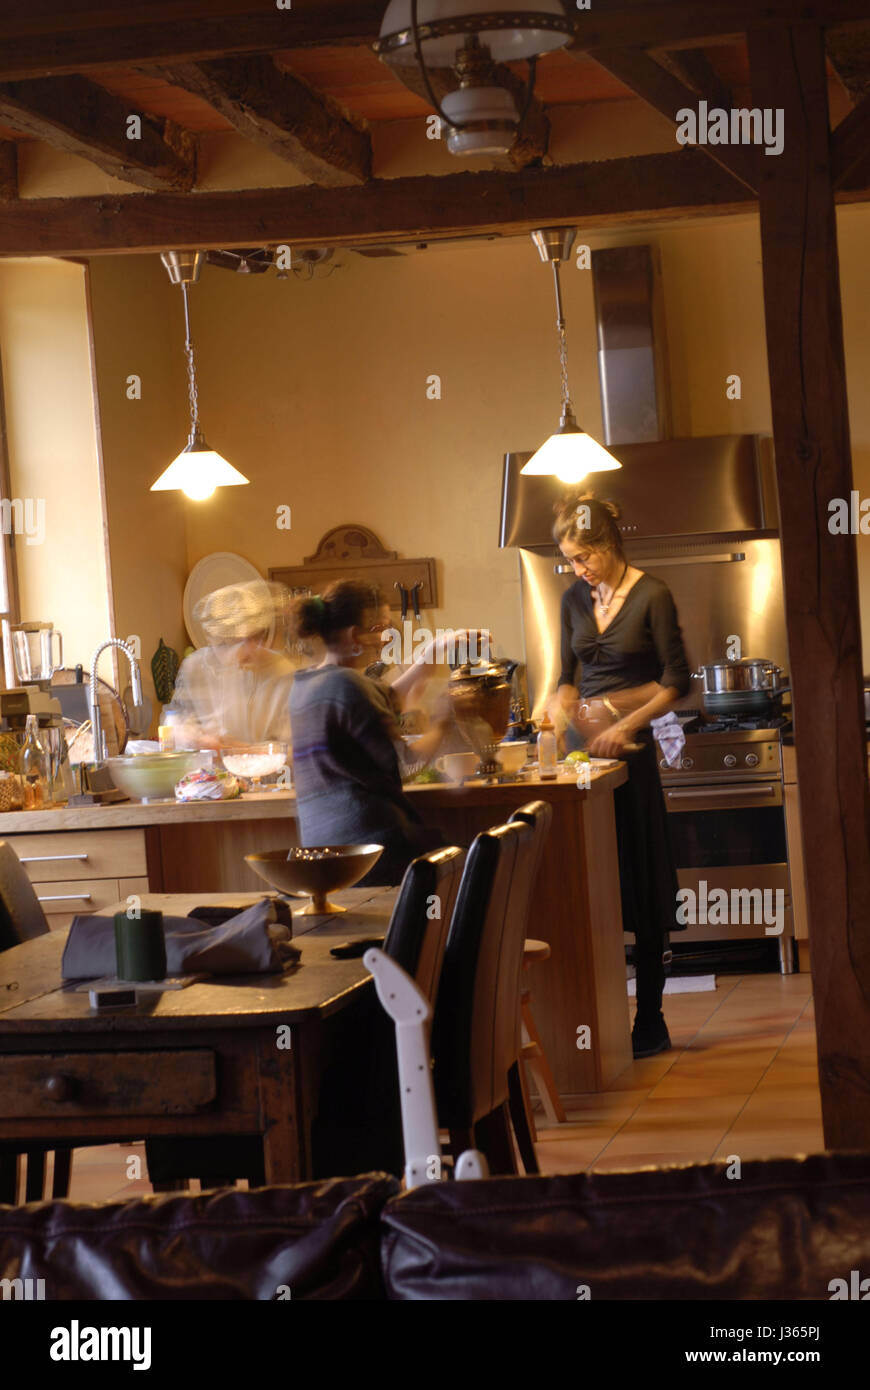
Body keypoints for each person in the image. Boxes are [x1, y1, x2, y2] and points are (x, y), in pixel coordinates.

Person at [552, 493, 690, 1059]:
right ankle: (597, 1018)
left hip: (629, 754)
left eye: (584, 558)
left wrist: (619, 720)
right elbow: (565, 675)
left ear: (609, 546)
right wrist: (562, 710)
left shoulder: (653, 594)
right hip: (582, 757)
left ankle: (650, 1020)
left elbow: (677, 679)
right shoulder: (571, 600)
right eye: (571, 561)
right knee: (589, 884)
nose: (579, 570)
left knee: (640, 877)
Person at [289, 579, 453, 885]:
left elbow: (383, 701)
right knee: (472, 862)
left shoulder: (305, 685)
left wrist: (429, 656)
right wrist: (446, 721)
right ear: (355, 635)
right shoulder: (349, 685)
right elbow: (407, 764)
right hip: (371, 852)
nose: (386, 637)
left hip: (323, 853)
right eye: (380, 628)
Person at [169, 579, 295, 750]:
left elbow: (293, 747)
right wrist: (191, 736)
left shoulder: (284, 673)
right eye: (227, 644)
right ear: (212, 639)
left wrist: (240, 751)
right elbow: (176, 720)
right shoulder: (194, 668)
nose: (244, 651)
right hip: (211, 774)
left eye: (253, 638)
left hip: (268, 774)